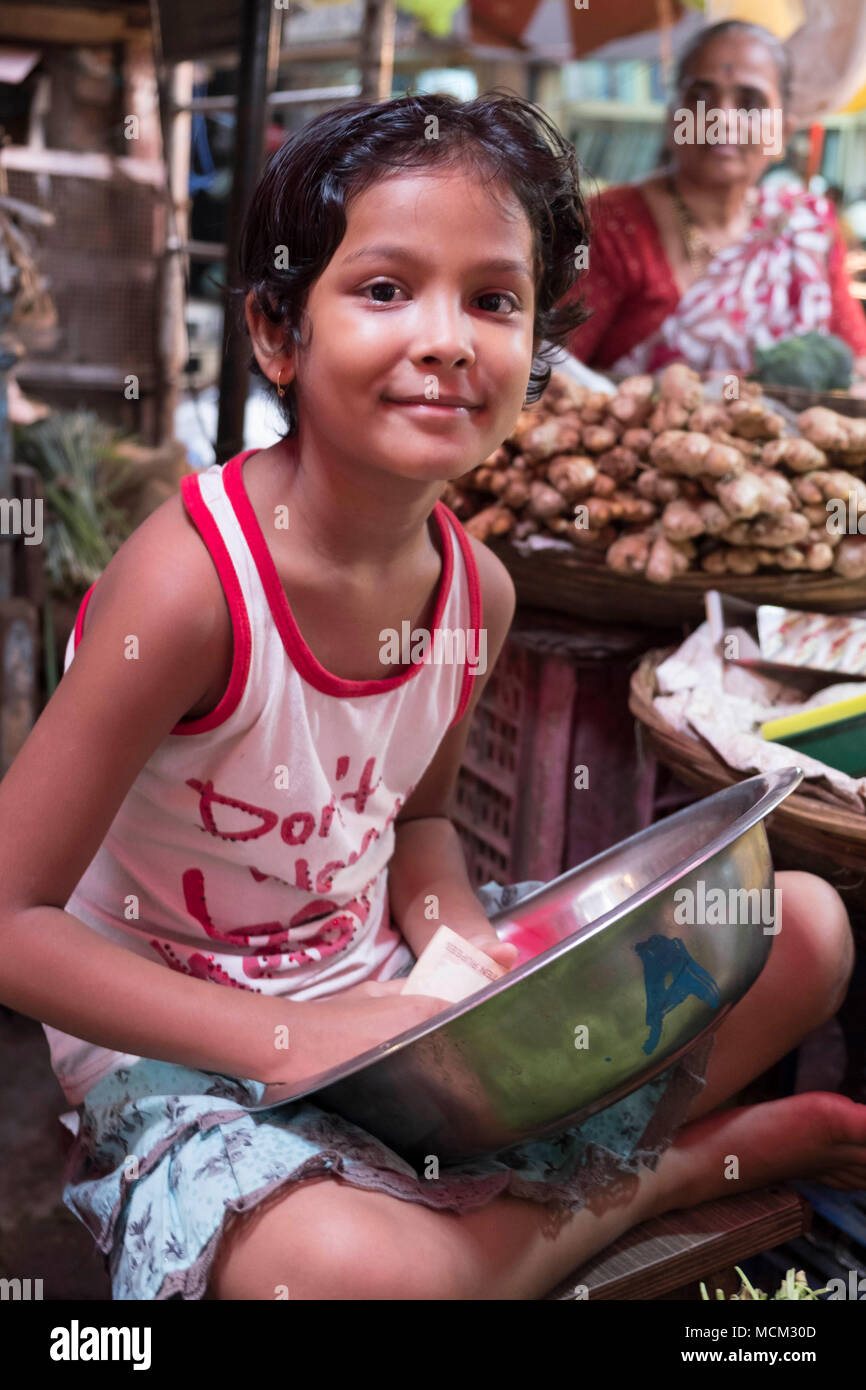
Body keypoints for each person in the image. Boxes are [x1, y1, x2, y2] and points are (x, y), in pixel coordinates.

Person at [0, 91, 861, 1303]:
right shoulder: (191, 589)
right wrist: (297, 1037)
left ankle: (486, 1212)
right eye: (386, 288)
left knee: (802, 926)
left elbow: (414, 826)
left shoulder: (476, 592)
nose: (449, 337)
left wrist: (461, 969)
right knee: (347, 1275)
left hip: (378, 992)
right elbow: (10, 918)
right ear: (276, 332)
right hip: (186, 1043)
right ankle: (655, 1176)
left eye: (495, 300)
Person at [566, 19, 866, 379]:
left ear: (782, 133)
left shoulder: (807, 228)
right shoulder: (610, 225)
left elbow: (856, 368)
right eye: (701, 97)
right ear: (673, 118)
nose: (722, 118)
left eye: (750, 103)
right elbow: (552, 372)